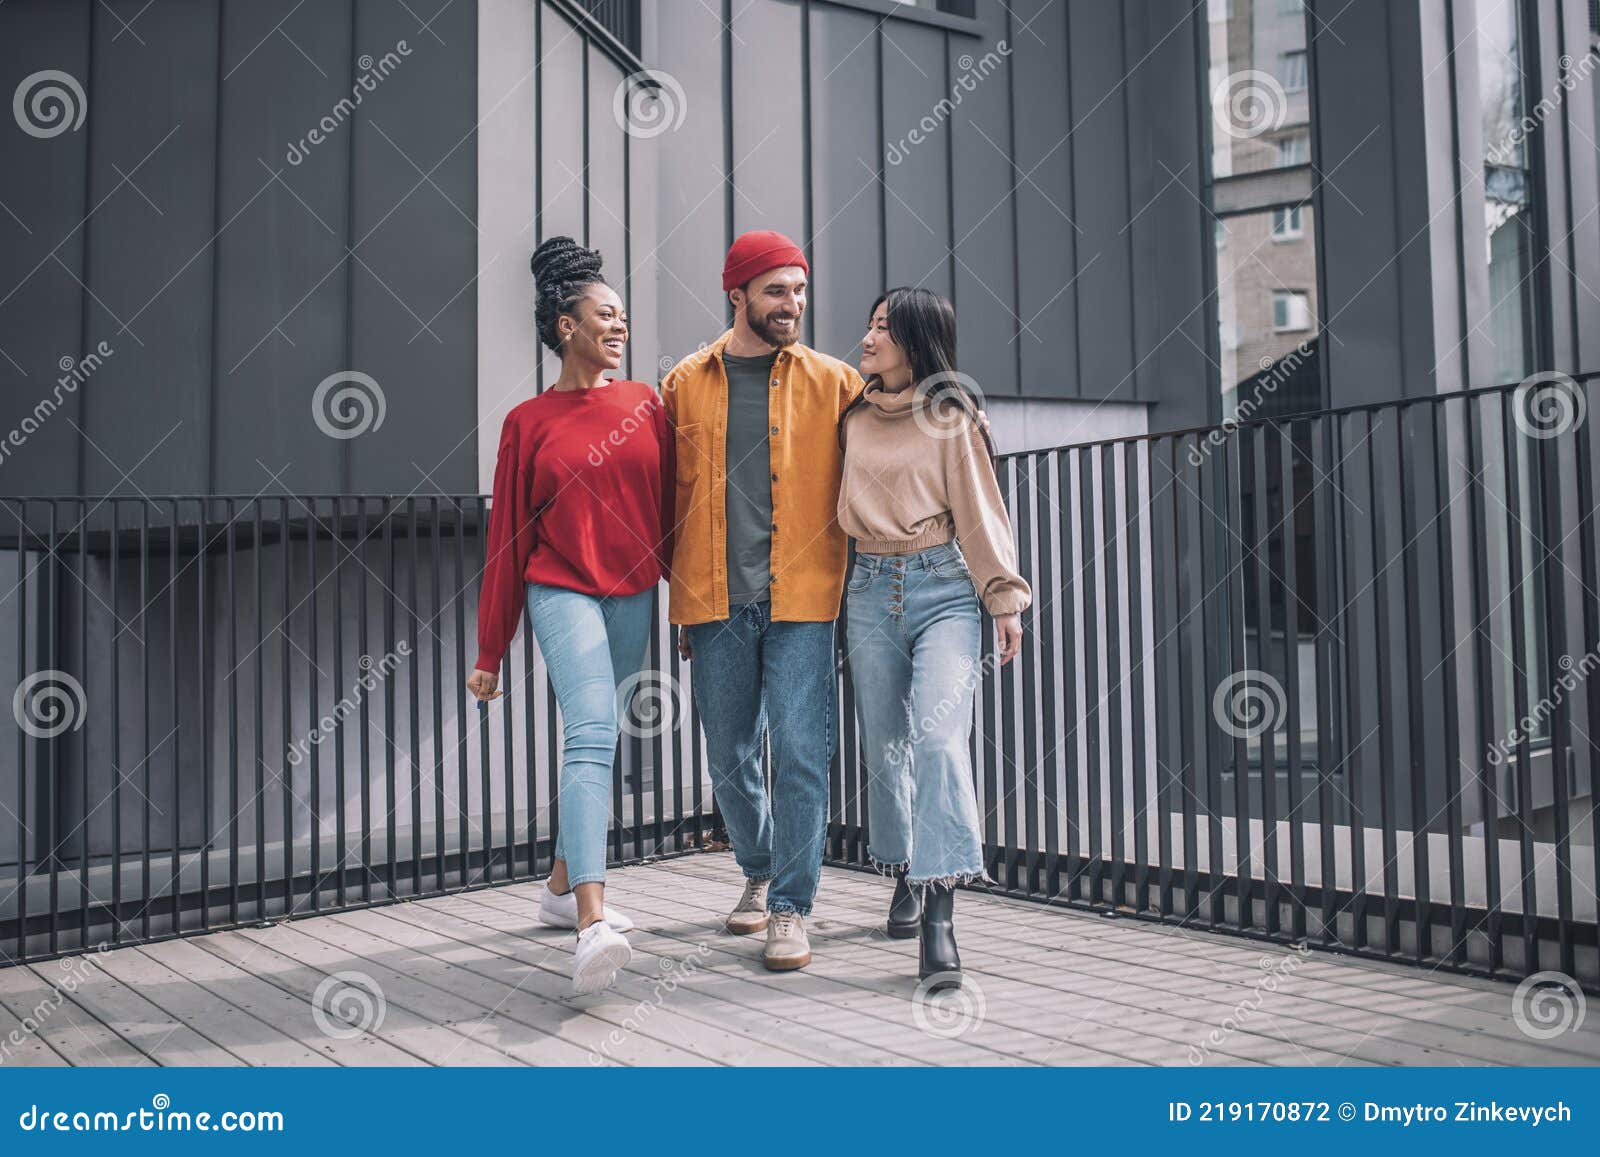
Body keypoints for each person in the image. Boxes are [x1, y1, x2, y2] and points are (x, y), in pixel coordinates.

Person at [467, 236, 673, 995]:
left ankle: (557, 888)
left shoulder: (648, 402)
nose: (619, 326)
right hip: (560, 585)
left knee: (602, 735)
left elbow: (673, 510)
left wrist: (685, 604)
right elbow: (507, 539)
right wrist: (491, 649)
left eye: (623, 315)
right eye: (605, 314)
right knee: (589, 733)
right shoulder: (527, 421)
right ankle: (592, 919)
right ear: (565, 326)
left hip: (635, 590)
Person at [662, 230, 865, 971]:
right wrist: (680, 603)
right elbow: (668, 502)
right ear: (737, 293)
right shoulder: (685, 382)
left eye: (800, 290)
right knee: (729, 755)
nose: (793, 304)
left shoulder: (838, 383)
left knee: (805, 754)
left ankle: (790, 905)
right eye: (777, 290)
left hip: (805, 598)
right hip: (714, 598)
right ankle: (756, 866)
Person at [838, 287, 1030, 990]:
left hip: (943, 587)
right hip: (866, 589)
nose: (867, 336)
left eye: (883, 327)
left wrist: (1004, 600)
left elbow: (981, 514)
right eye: (869, 321)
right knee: (886, 746)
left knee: (939, 737)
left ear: (916, 342)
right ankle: (904, 871)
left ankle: (941, 909)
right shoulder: (852, 416)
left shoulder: (952, 421)